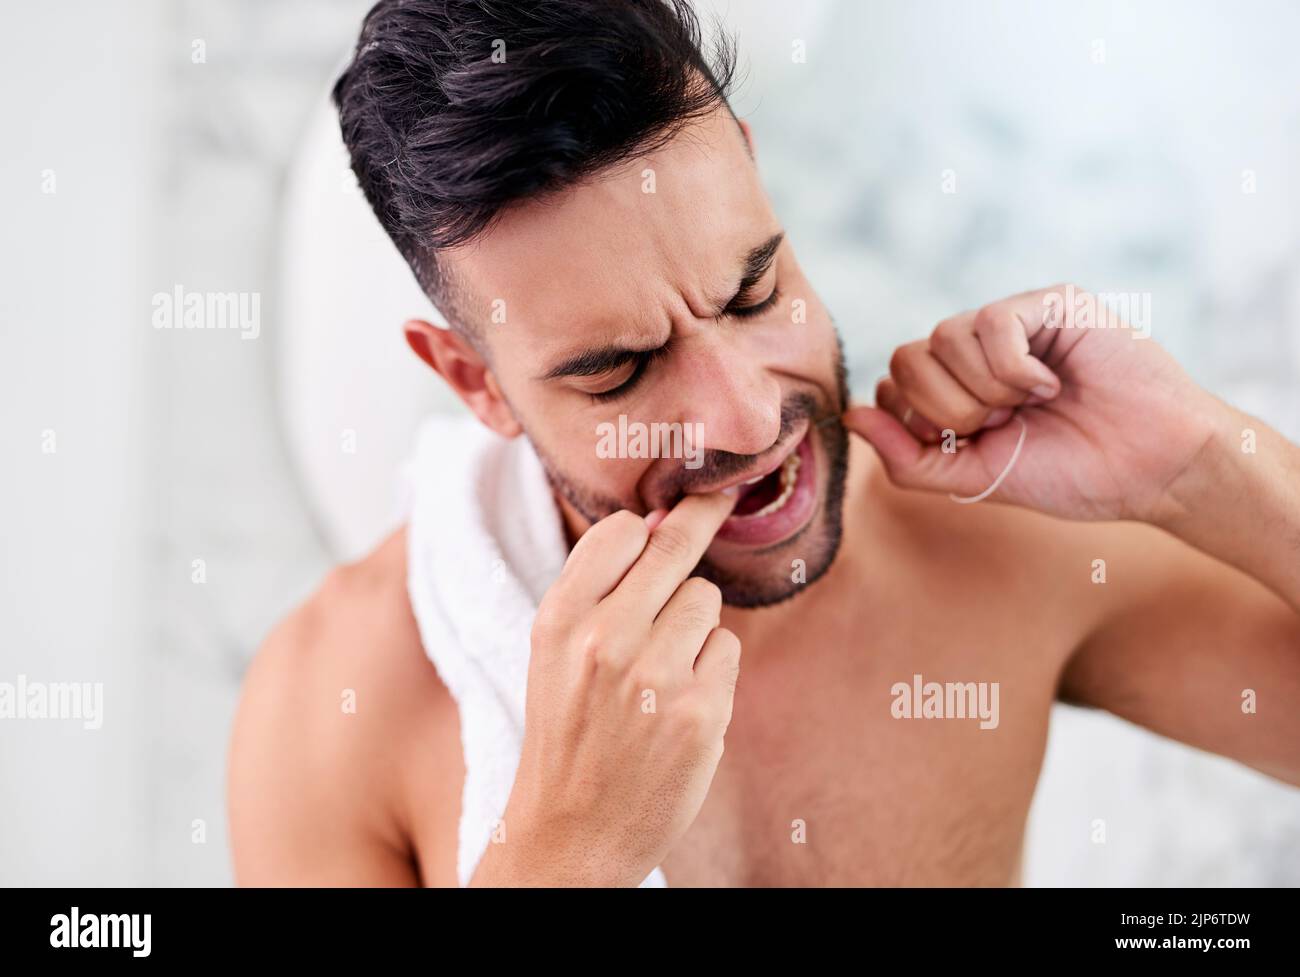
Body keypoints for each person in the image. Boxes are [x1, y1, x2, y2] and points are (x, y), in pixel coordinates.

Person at [228, 0, 1300, 886]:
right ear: (475, 382)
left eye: (753, 291)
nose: (744, 421)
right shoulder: (335, 707)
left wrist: (1203, 464)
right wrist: (564, 851)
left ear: (753, 172)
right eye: (618, 368)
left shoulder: (1000, 537)